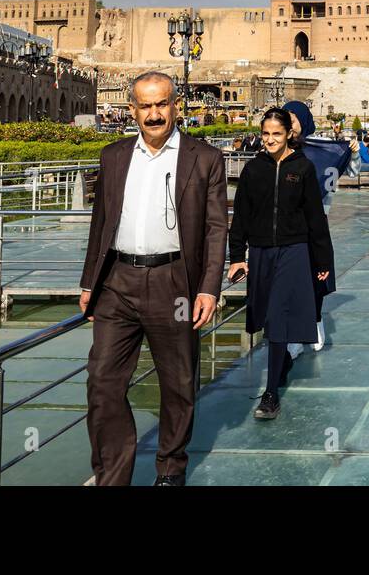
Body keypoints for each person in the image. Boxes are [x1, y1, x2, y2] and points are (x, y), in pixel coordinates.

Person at [79, 71, 228, 486]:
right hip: (117, 284)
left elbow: (217, 229)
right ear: (132, 110)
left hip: (175, 283)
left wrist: (208, 288)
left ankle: (169, 470)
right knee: (103, 383)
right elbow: (100, 223)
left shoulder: (205, 158)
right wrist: (90, 282)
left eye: (162, 104)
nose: (154, 114)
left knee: (178, 384)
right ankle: (112, 475)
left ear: (176, 105)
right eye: (145, 106)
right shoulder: (114, 156)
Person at [227, 107, 335, 423]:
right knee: (265, 317)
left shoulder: (301, 168)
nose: (271, 140)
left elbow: (316, 218)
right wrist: (236, 257)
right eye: (265, 134)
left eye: (277, 134)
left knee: (277, 318)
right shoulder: (254, 170)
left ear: (288, 134)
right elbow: (242, 217)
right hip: (261, 252)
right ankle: (281, 365)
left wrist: (322, 261)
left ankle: (271, 392)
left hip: (293, 251)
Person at [282, 100, 352, 354]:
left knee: (316, 276)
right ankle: (293, 333)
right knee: (290, 278)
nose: (289, 123)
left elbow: (349, 171)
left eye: (294, 118)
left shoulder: (323, 150)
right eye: (285, 117)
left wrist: (351, 151)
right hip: (287, 224)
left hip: (315, 223)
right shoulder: (280, 148)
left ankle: (315, 320)